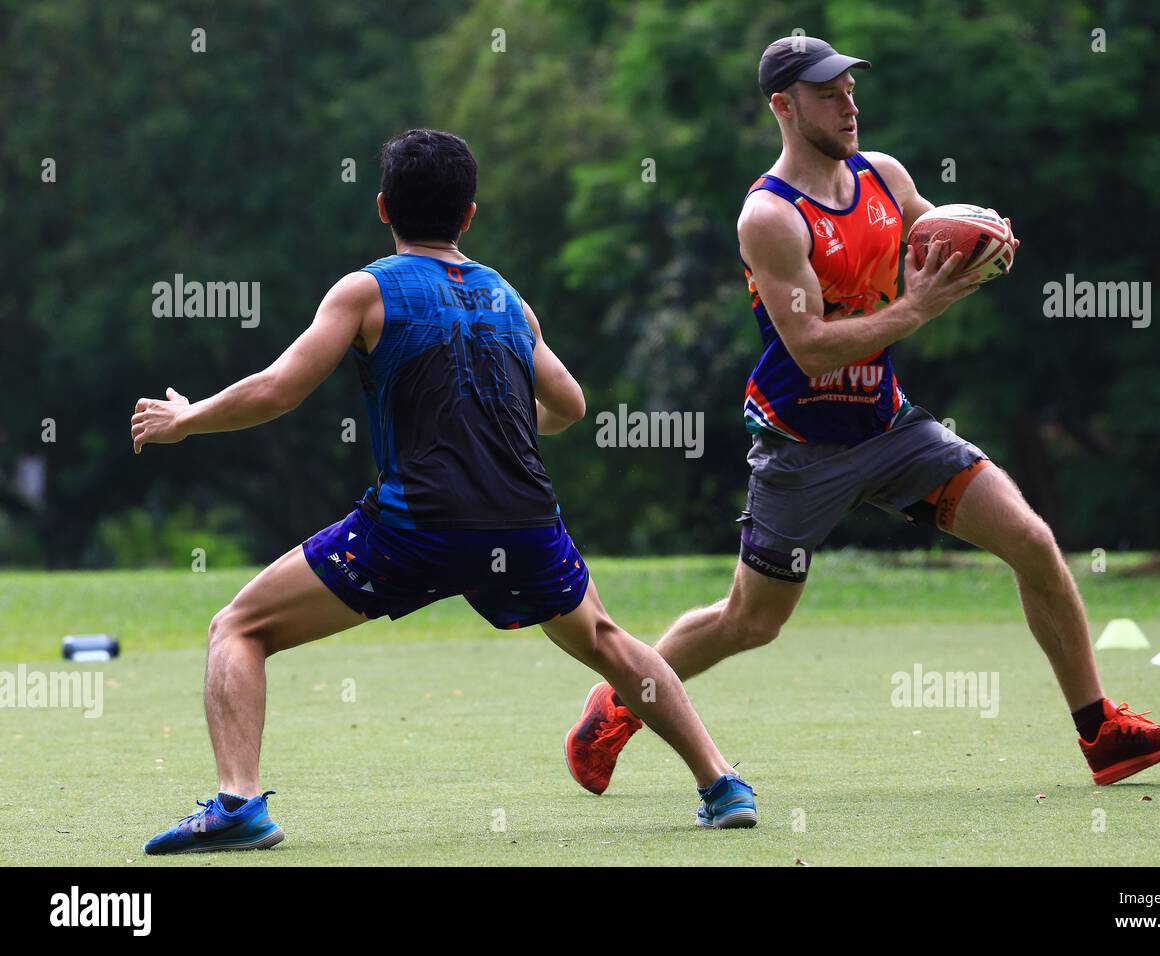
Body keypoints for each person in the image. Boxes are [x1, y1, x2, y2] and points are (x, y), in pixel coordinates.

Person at [564, 37, 1160, 796]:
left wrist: (984, 243)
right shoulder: (770, 216)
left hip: (891, 428)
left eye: (850, 88)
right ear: (783, 106)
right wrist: (916, 308)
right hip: (800, 447)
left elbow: (935, 240)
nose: (848, 103)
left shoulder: (884, 177)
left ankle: (1102, 734)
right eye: (828, 92)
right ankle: (620, 704)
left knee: (1031, 540)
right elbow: (811, 352)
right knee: (751, 621)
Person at [133, 129, 756, 854]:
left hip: (415, 529)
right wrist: (513, 426)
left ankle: (239, 804)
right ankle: (720, 783)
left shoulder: (365, 290)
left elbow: (279, 390)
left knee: (237, 628)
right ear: (469, 215)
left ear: (382, 207)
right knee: (607, 640)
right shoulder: (507, 298)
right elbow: (572, 405)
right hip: (525, 523)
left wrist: (187, 419)